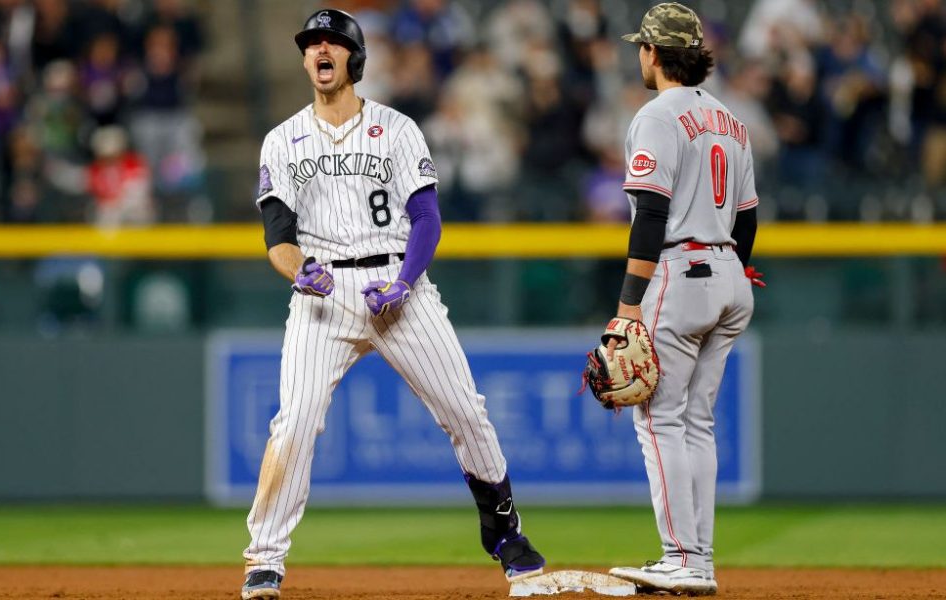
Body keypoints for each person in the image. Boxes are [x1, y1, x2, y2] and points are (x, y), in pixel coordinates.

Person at [240, 9, 545, 599]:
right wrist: (301, 269)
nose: (320, 51)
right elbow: (278, 237)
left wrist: (405, 281)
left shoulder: (398, 129)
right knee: (295, 422)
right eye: (311, 44)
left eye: (331, 42)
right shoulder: (282, 139)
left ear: (353, 58)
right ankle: (264, 559)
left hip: (398, 289)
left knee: (465, 411)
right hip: (322, 298)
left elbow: (426, 218)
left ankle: (507, 536)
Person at [605, 3, 762, 596]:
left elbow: (650, 213)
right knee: (698, 422)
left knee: (659, 421)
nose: (638, 56)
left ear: (653, 52)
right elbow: (747, 216)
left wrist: (627, 306)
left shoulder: (656, 116)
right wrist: (734, 269)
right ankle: (700, 561)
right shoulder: (731, 119)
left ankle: (680, 558)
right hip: (729, 274)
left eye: (640, 48)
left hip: (680, 268)